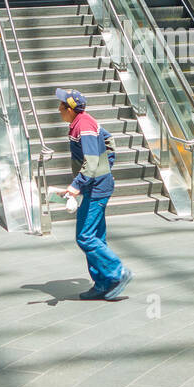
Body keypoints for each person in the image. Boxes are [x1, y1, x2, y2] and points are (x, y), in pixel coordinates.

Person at [49, 89, 133, 300]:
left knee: (85, 237)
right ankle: (103, 283)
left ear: (70, 109)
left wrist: (79, 184)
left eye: (61, 106)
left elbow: (93, 160)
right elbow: (109, 141)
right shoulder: (83, 122)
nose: (58, 109)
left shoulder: (84, 125)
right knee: (96, 237)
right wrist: (106, 167)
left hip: (96, 189)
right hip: (96, 185)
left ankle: (117, 272)